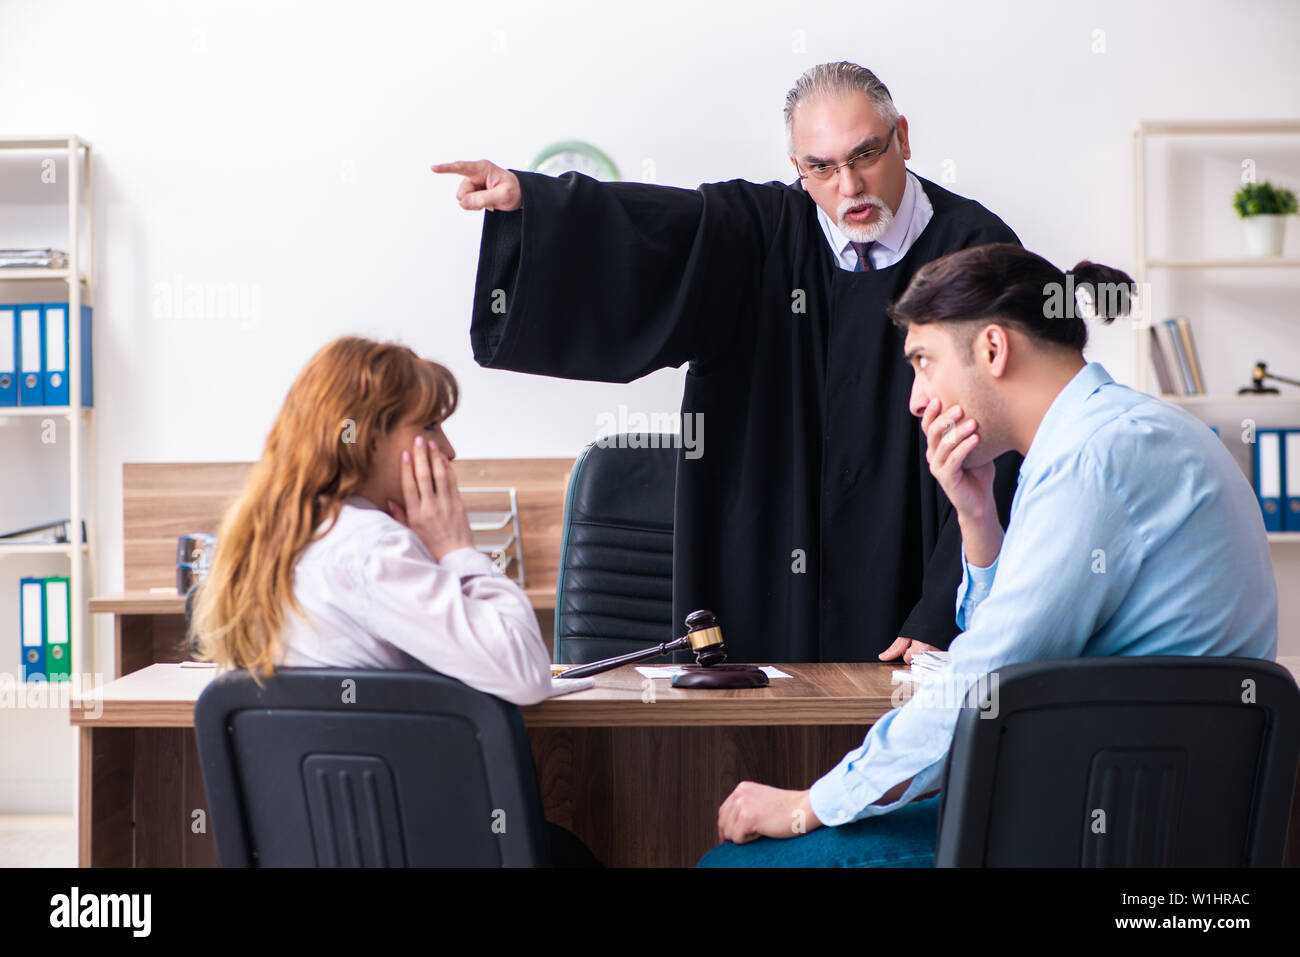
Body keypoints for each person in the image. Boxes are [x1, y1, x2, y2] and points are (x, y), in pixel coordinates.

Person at [703, 244, 1278, 866]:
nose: (916, 400)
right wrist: (977, 519)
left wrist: (810, 803)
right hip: (1134, 807)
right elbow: (1012, 655)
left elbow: (984, 685)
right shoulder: (1115, 435)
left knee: (737, 863)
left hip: (1103, 827)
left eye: (923, 363)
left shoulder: (1095, 457)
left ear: (993, 350)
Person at [432, 61, 1023, 665]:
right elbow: (649, 228)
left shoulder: (976, 252)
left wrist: (944, 609)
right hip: (766, 584)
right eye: (821, 167)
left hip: (915, 599)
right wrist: (535, 205)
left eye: (865, 155)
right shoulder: (756, 237)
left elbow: (1005, 449)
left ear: (902, 136)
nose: (848, 186)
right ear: (796, 166)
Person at [191, 336, 599, 866]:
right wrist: (456, 548)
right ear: (366, 439)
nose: (448, 451)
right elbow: (524, 672)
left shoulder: (261, 549)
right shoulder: (370, 548)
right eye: (429, 426)